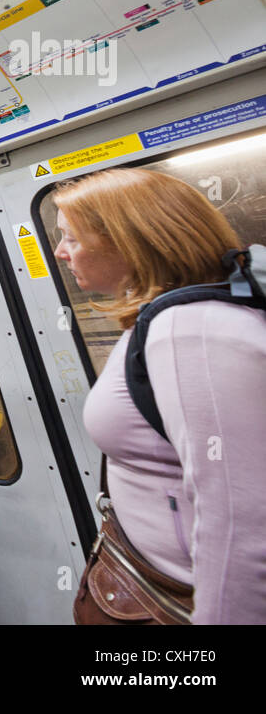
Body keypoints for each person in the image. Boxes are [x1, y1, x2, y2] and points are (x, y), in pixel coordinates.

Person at [52, 167, 266, 623]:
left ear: (128, 239)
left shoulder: (190, 330)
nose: (60, 252)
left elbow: (243, 524)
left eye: (71, 237)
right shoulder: (161, 320)